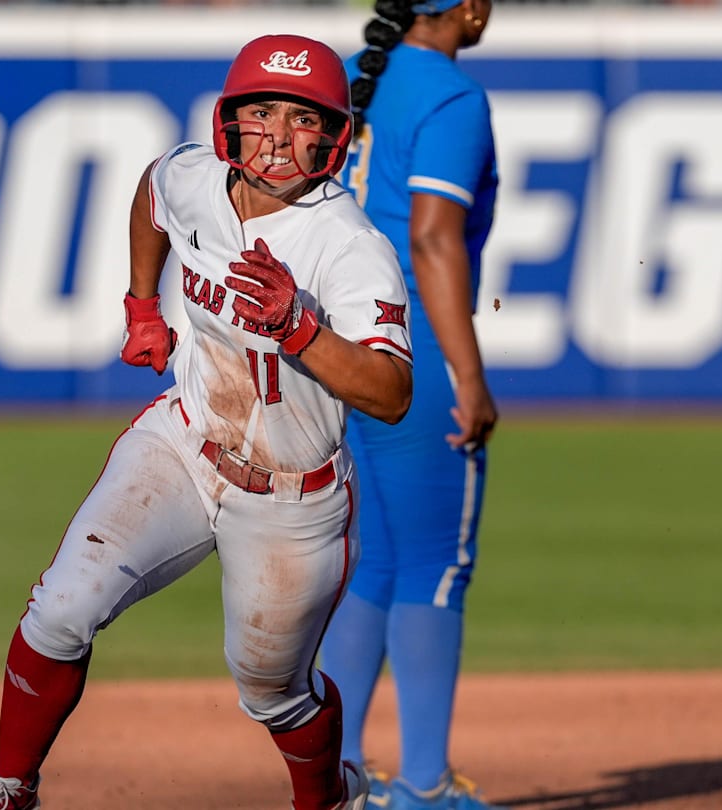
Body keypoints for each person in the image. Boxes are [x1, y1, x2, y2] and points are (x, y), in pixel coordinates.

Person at [0, 33, 413, 810]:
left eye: (302, 118)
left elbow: (391, 393)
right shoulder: (196, 177)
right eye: (262, 113)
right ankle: (10, 785)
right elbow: (153, 193)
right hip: (185, 442)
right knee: (62, 609)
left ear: (332, 136)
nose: (280, 136)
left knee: (272, 693)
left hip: (293, 495)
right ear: (230, 121)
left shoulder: (349, 248)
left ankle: (330, 798)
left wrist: (302, 330)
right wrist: (140, 305)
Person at [316, 2, 502, 809]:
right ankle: (424, 785)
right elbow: (433, 236)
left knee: (374, 564)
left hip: (347, 346)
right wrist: (467, 372)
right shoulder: (451, 98)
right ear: (464, 6)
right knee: (434, 568)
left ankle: (341, 779)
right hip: (417, 353)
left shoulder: (367, 81)